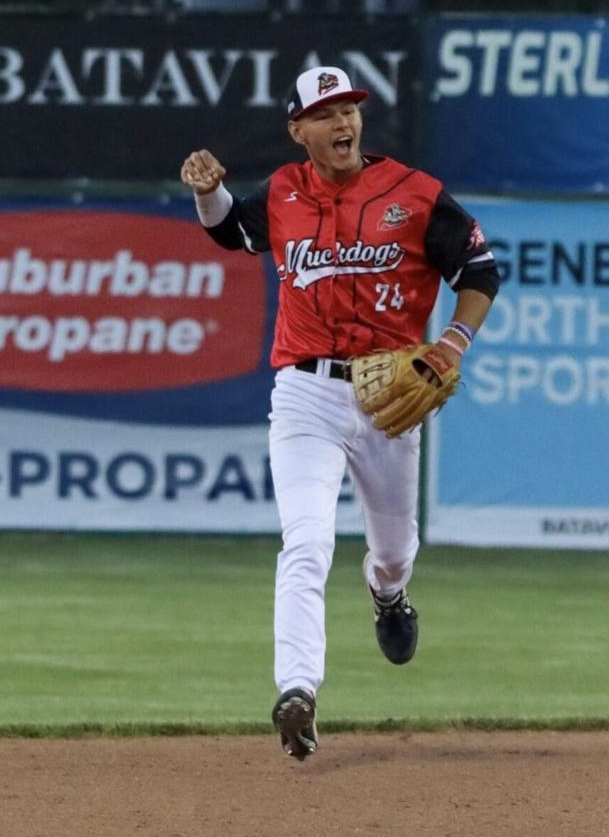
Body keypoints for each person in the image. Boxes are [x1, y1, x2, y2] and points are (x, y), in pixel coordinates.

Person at [179, 66, 499, 760]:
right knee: (307, 541)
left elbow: (479, 272)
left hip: (389, 394)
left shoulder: (413, 194)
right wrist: (211, 193)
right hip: (305, 393)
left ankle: (389, 597)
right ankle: (298, 691)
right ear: (299, 131)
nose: (343, 121)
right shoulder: (284, 193)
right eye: (325, 113)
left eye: (350, 107)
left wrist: (451, 342)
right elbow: (234, 233)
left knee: (393, 552)